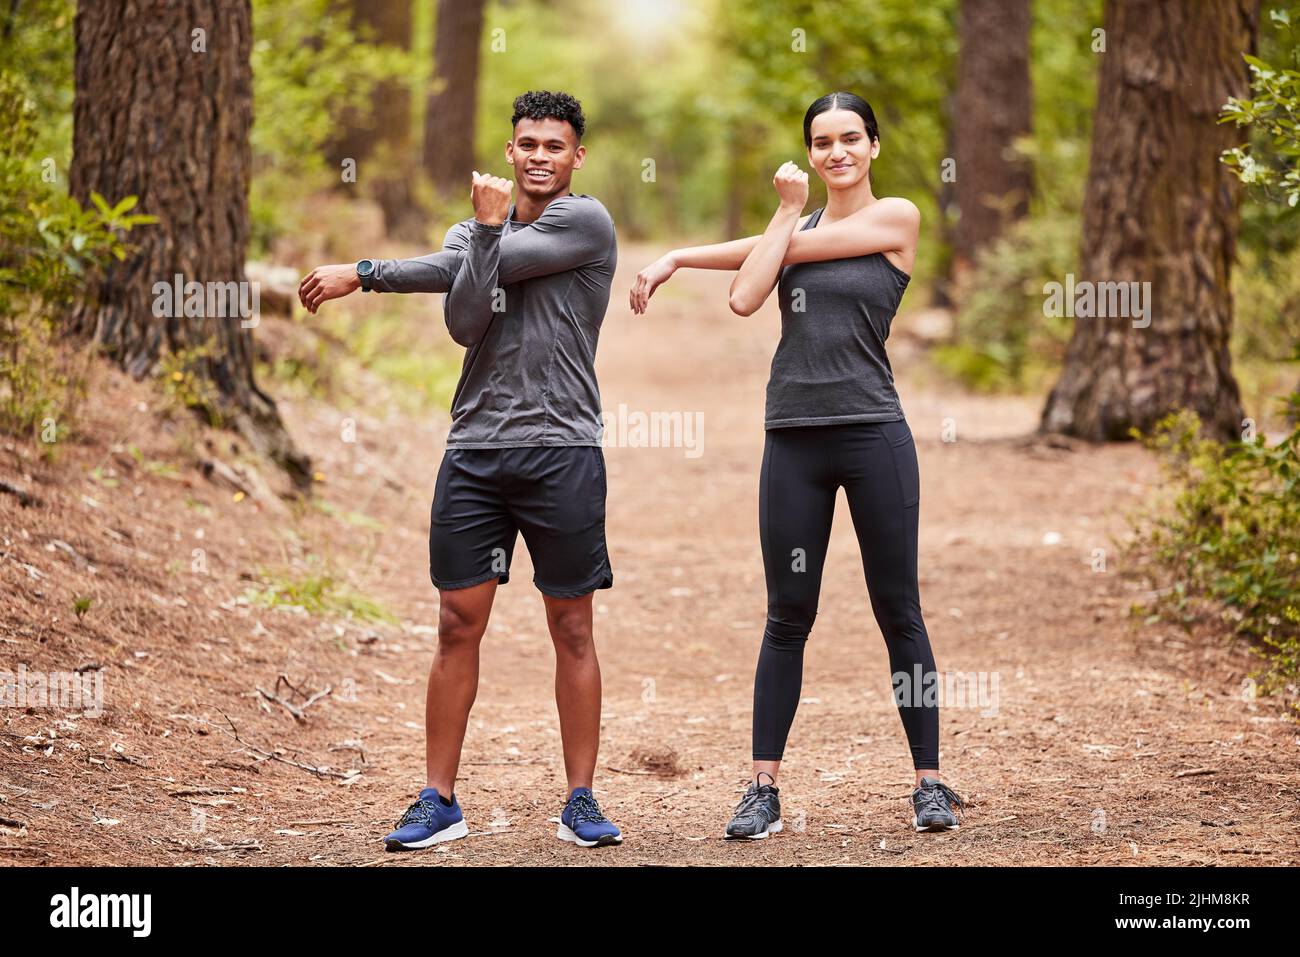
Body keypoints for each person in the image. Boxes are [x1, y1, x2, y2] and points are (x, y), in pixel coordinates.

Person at [630, 92, 965, 837]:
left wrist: (781, 217)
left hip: (873, 432)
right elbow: (753, 279)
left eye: (850, 138)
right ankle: (762, 787)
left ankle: (930, 783)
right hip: (794, 437)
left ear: (873, 146)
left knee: (898, 609)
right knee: (788, 614)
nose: (836, 151)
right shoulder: (797, 226)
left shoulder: (897, 218)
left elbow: (755, 279)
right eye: (822, 141)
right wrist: (678, 256)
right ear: (809, 152)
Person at [298, 91, 623, 850]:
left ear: (577, 157)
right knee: (455, 624)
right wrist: (475, 234)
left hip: (562, 449)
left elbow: (489, 261)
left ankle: (580, 798)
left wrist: (367, 272)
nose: (540, 156)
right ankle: (438, 798)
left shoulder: (587, 222)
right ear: (508, 153)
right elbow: (464, 319)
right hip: (475, 450)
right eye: (527, 144)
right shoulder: (470, 231)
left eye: (554, 145)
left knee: (571, 623)